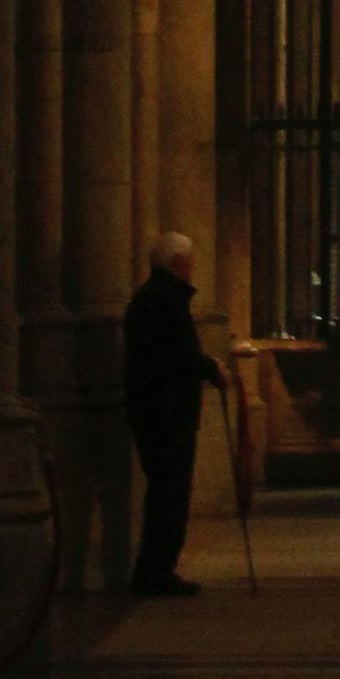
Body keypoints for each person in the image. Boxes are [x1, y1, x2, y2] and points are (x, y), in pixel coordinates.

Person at [121, 228, 222, 599]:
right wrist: (207, 367)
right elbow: (177, 356)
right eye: (191, 262)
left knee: (166, 490)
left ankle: (156, 567)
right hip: (167, 414)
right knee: (169, 492)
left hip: (156, 411)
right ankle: (157, 570)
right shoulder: (166, 301)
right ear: (180, 263)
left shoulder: (151, 299)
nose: (193, 268)